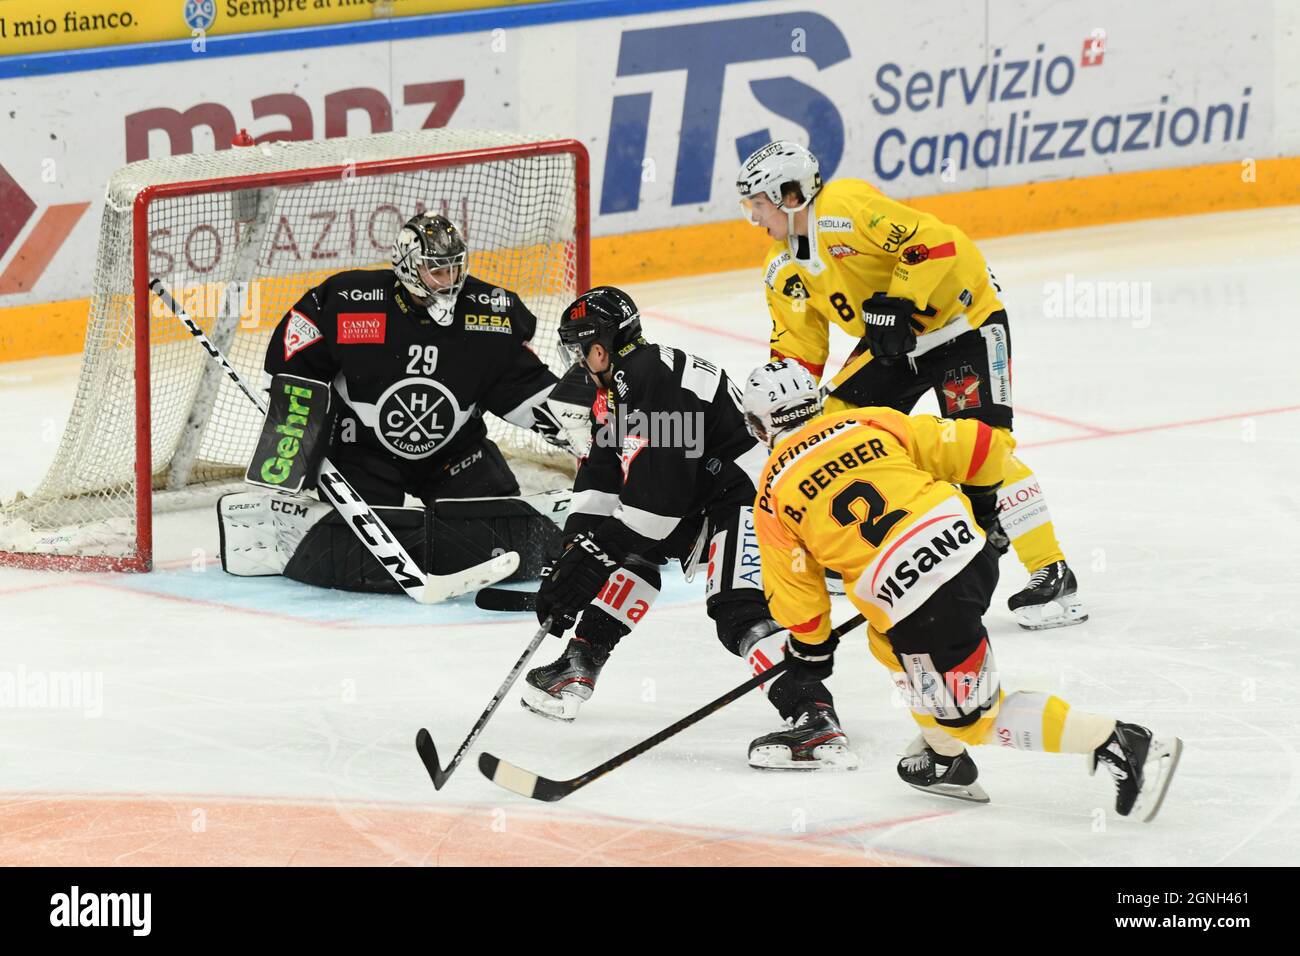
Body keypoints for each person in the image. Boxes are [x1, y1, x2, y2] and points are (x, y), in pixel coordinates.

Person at [742, 359, 1181, 819]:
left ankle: (1121, 742)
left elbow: (799, 599)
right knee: (887, 642)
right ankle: (943, 755)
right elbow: (984, 447)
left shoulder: (772, 495)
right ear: (813, 401)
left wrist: (810, 651)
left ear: (756, 425)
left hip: (921, 602)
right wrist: (985, 506)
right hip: (970, 554)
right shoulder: (868, 420)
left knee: (976, 719)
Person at [736, 141, 1085, 630]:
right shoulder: (780, 268)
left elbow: (937, 242)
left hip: (963, 324)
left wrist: (901, 298)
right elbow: (799, 345)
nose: (754, 218)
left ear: (790, 195)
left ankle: (1052, 570)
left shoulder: (843, 207)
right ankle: (850, 546)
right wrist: (780, 397)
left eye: (759, 204)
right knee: (832, 423)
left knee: (985, 446)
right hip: (895, 347)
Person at [524, 286, 856, 770]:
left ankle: (814, 717)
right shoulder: (623, 383)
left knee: (739, 611)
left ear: (599, 347)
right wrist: (575, 545)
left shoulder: (652, 380)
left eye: (578, 348)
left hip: (754, 498)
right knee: (629, 554)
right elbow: (602, 476)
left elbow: (655, 510)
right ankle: (578, 664)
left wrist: (591, 557)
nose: (576, 360)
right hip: (705, 497)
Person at [218, 213, 573, 591]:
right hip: (364, 453)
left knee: (499, 524)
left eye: (454, 269)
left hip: (455, 453)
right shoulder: (348, 302)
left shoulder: (488, 312)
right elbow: (297, 366)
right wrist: (292, 445)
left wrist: (570, 421)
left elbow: (518, 381)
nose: (448, 280)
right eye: (436, 271)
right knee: (356, 539)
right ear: (407, 267)